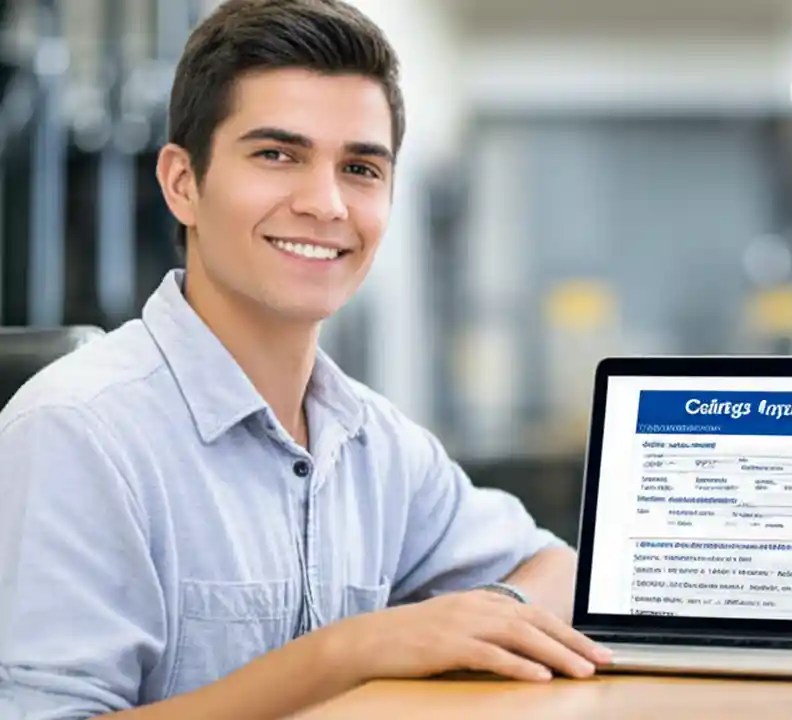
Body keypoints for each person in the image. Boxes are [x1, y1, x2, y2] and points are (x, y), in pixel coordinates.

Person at [0, 1, 610, 717]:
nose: (326, 204)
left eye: (359, 167)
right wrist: (348, 652)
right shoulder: (78, 432)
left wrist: (491, 615)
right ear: (182, 183)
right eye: (277, 155)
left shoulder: (375, 442)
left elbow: (559, 570)